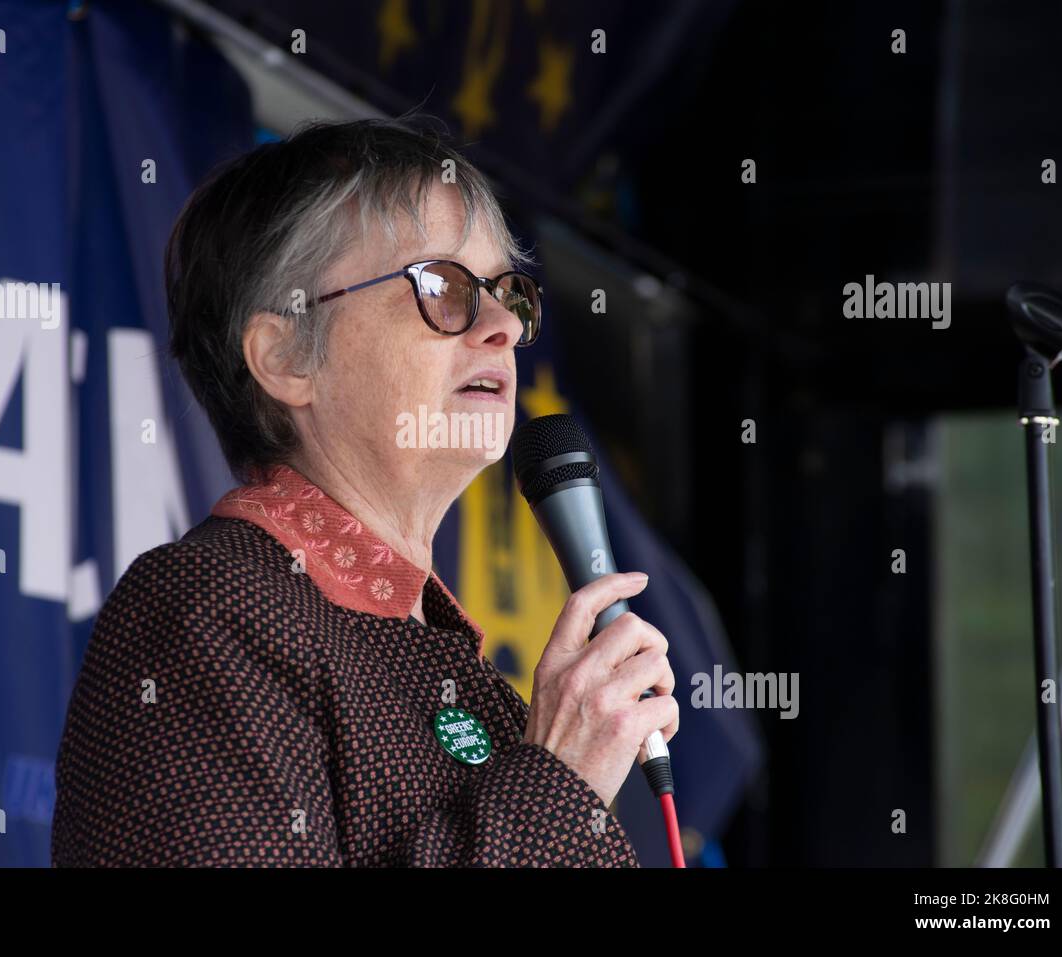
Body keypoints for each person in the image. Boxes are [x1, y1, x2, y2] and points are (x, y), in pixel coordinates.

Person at [51, 116, 678, 867]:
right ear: (285, 356)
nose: (504, 325)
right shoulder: (204, 606)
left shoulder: (482, 691)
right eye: (443, 287)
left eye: (508, 292)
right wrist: (554, 786)